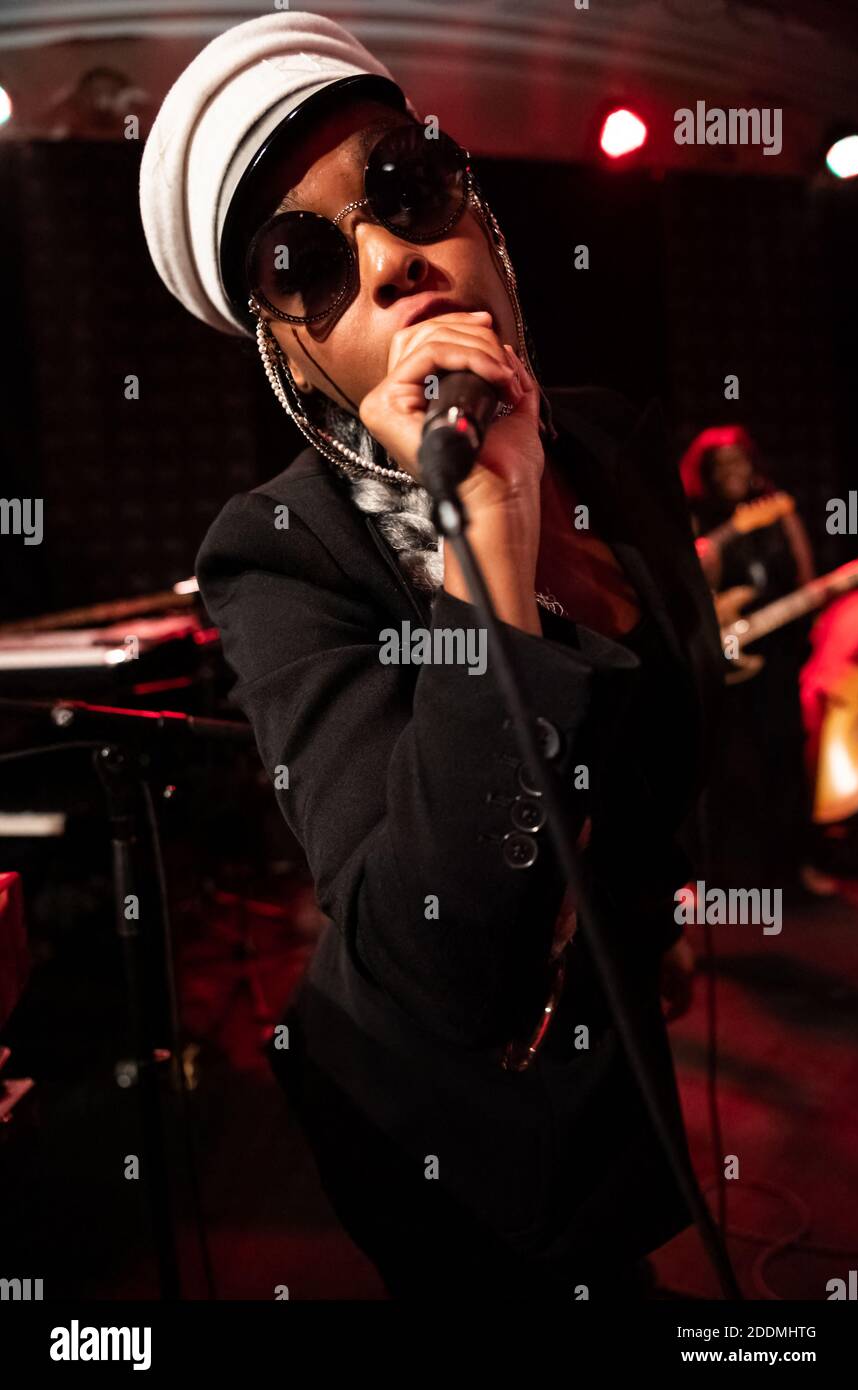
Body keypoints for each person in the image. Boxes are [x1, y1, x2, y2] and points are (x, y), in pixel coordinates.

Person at [140, 13, 725, 1300]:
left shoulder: (613, 445)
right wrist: (484, 542)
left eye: (404, 188)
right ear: (291, 356)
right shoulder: (284, 551)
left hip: (610, 1079)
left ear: (479, 216)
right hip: (447, 1141)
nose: (391, 258)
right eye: (304, 263)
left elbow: (666, 731)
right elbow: (441, 961)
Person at [679, 425, 816, 887]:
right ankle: (718, 875)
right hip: (724, 658)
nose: (734, 471)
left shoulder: (778, 512)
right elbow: (691, 577)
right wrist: (729, 533)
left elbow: (804, 581)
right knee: (725, 766)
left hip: (774, 655)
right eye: (722, 465)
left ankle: (790, 870)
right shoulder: (700, 517)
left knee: (784, 756)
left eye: (740, 460)